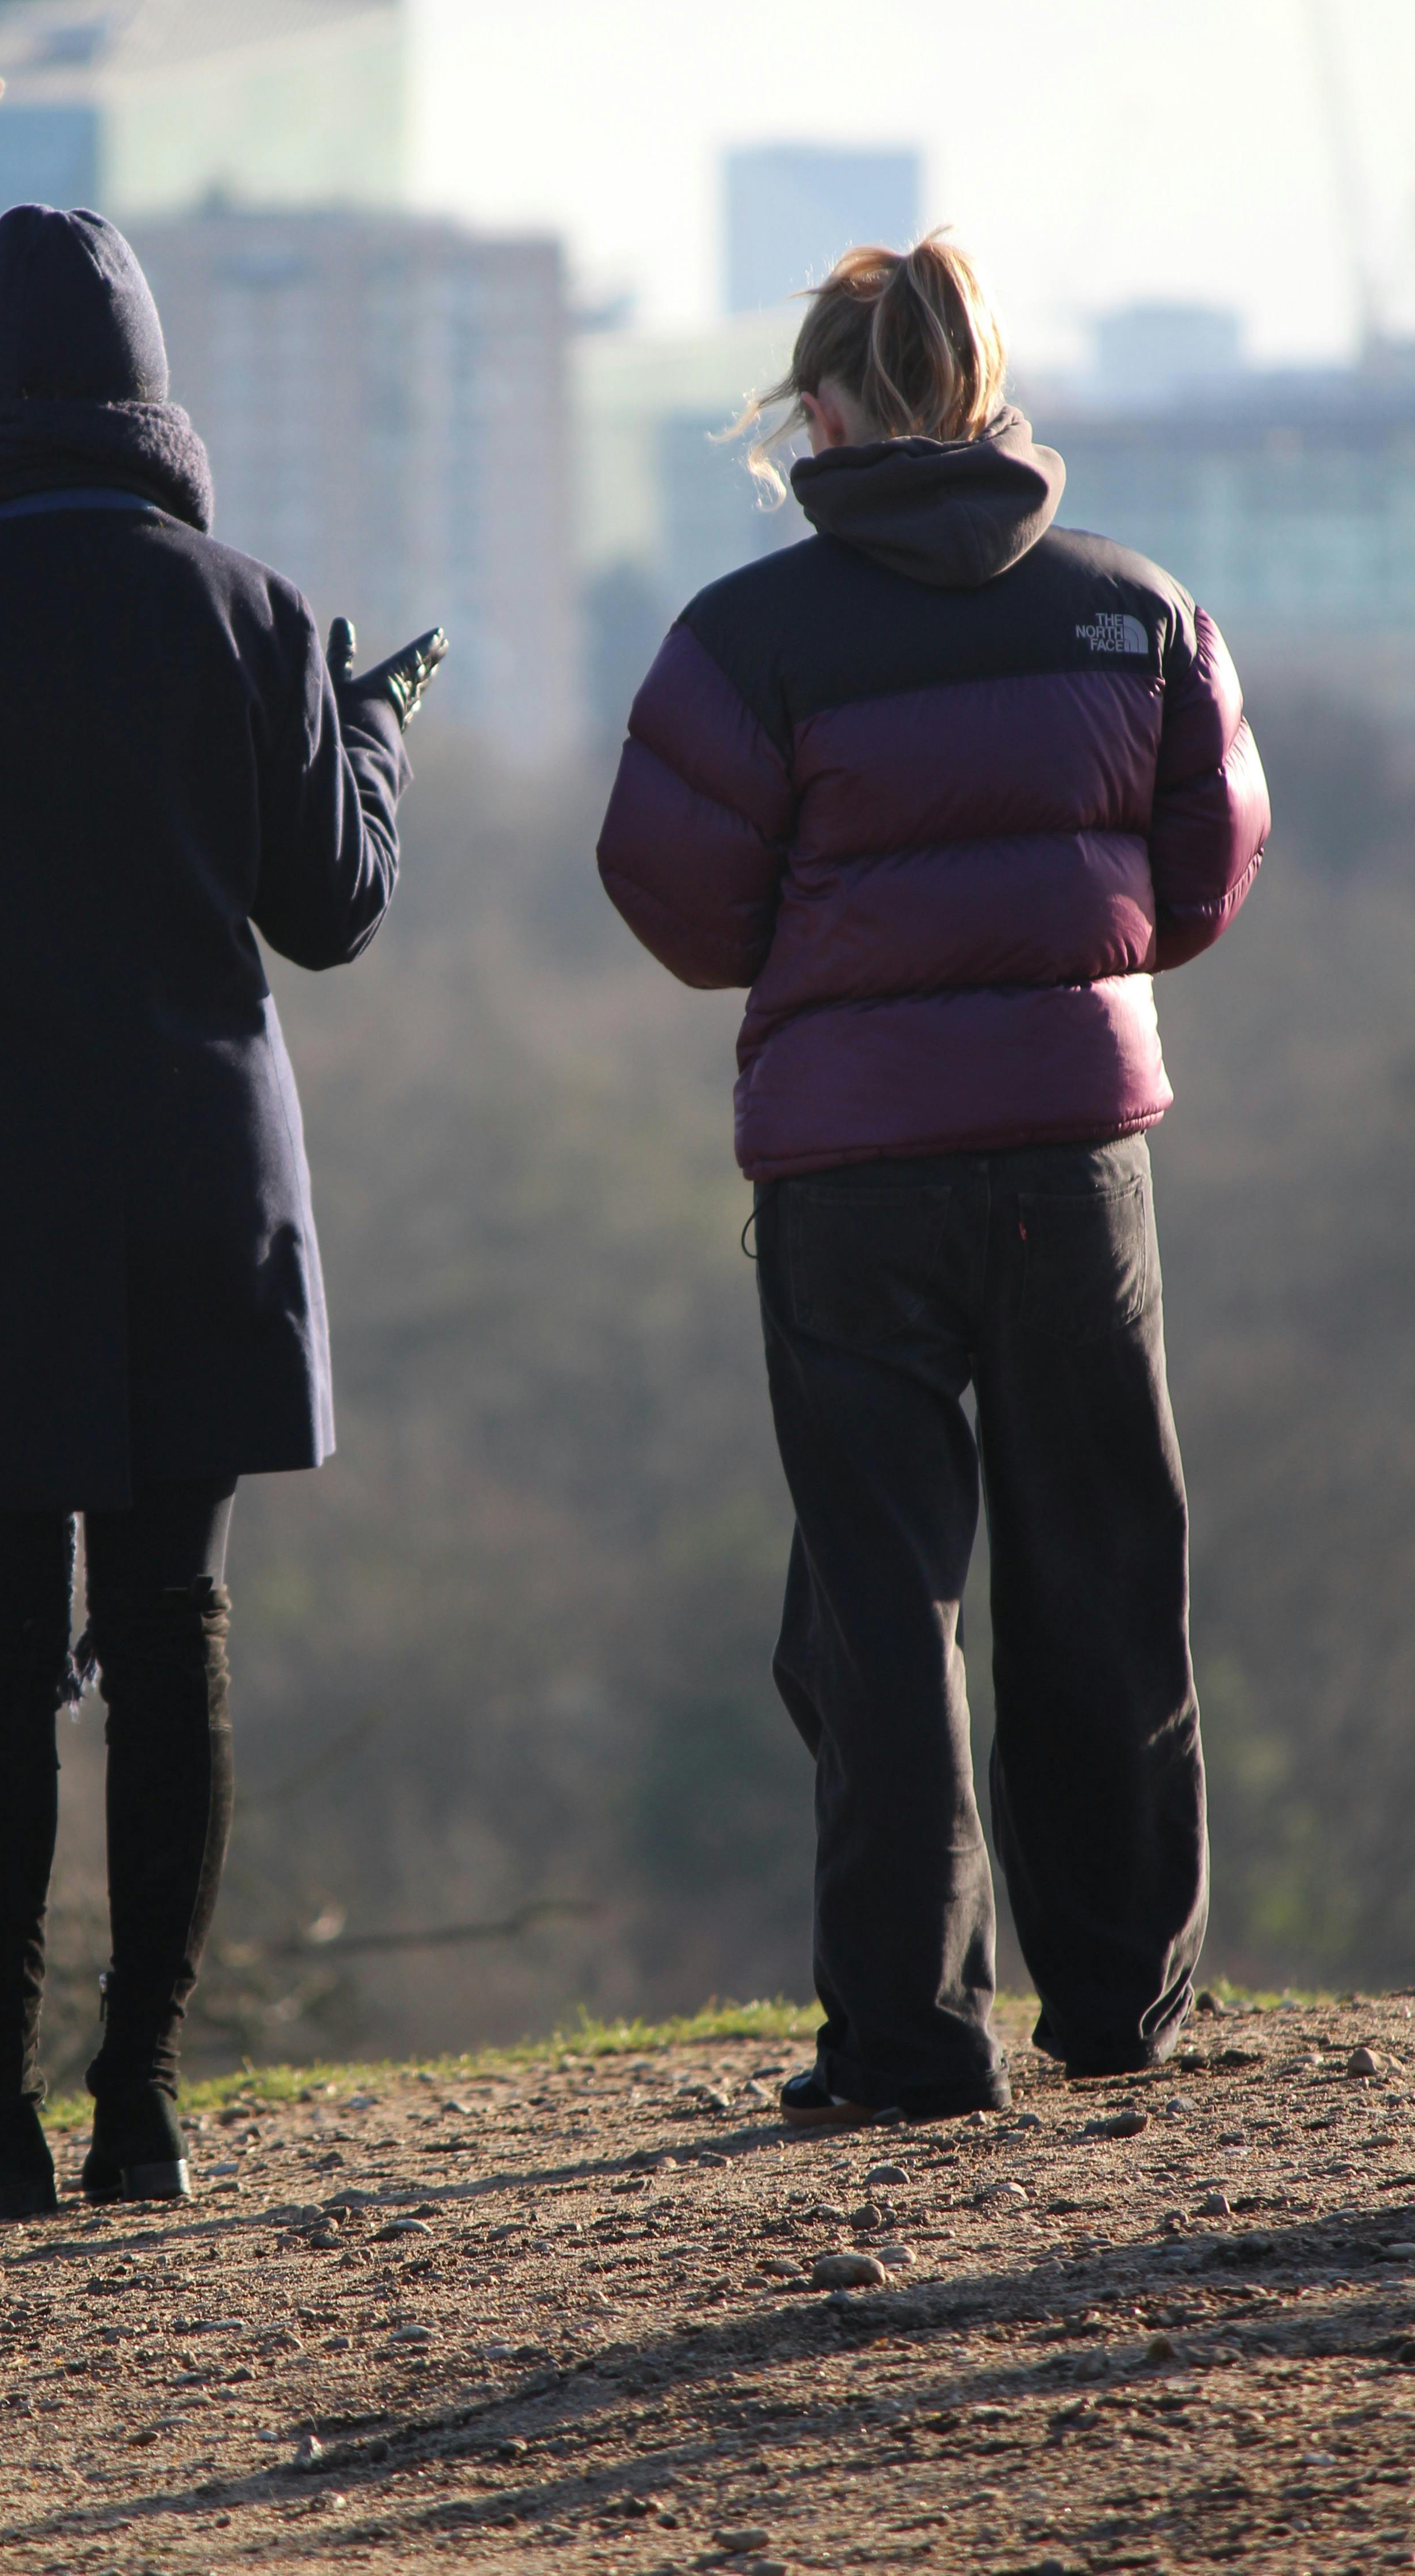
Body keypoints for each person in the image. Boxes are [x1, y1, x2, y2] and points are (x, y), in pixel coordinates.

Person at [0, 204, 446, 2218]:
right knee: (170, 1632)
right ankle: (141, 2101)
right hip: (191, 1190)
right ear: (157, 400)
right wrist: (374, 735)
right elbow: (332, 910)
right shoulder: (248, 613)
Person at [596, 236, 1269, 2127]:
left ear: (819, 416)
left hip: (854, 1172)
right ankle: (1125, 1999)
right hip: (1075, 1154)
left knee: (886, 1601)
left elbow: (677, 897)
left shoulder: (747, 642)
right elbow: (1207, 878)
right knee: (1105, 1561)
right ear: (985, 395)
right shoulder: (1138, 613)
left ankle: (907, 2036)